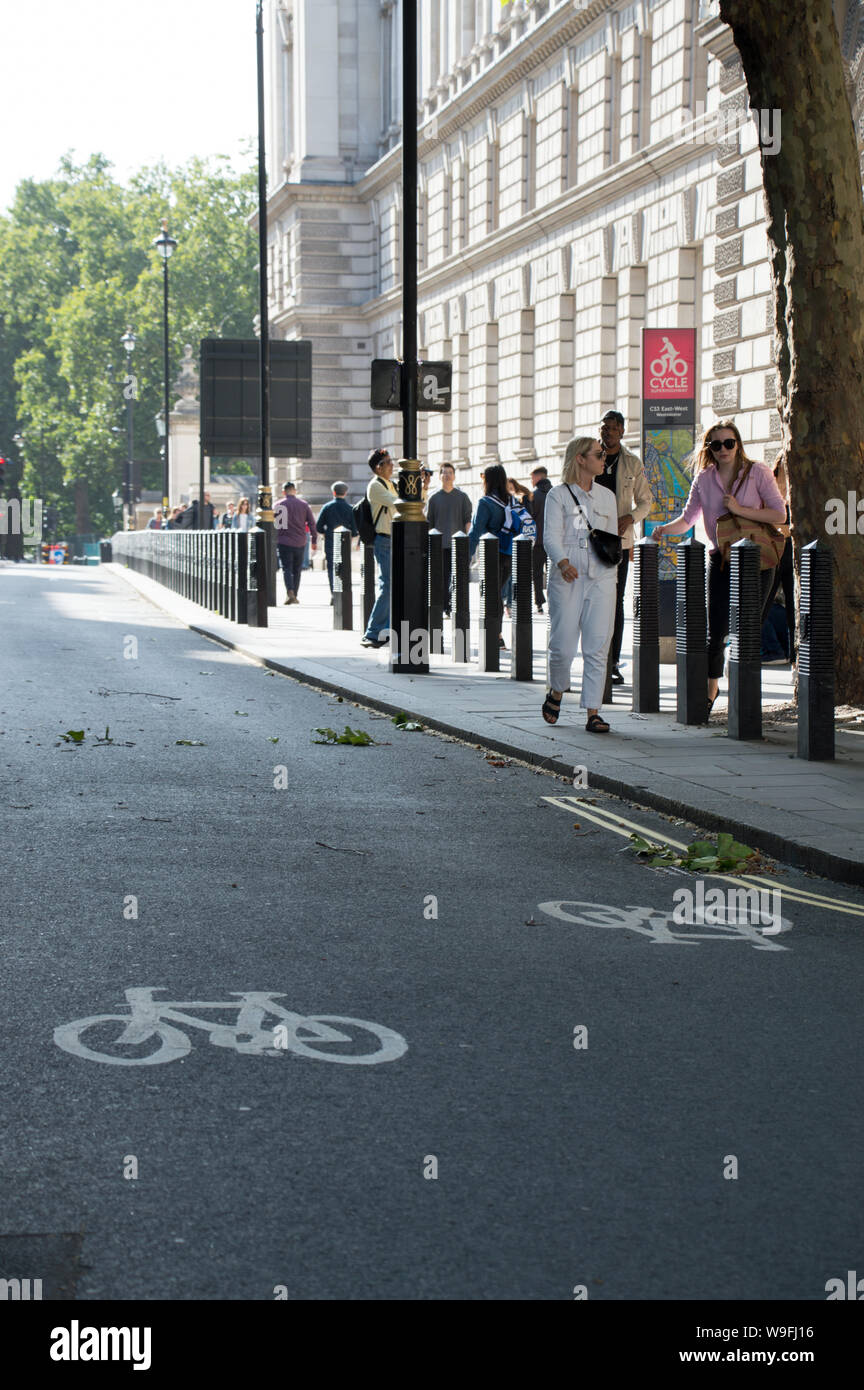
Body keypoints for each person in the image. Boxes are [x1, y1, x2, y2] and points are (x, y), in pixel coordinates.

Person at [652, 419, 787, 715]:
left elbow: (779, 514)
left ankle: (744, 695)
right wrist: (663, 529)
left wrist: (740, 510)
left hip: (757, 559)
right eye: (717, 444)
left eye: (729, 443)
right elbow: (688, 519)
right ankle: (711, 687)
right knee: (716, 629)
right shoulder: (704, 479)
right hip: (721, 559)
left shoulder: (758, 472)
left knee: (749, 628)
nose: (723, 449)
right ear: (709, 448)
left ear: (738, 444)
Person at [541, 436, 619, 733]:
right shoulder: (558, 495)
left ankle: (593, 712)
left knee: (597, 646)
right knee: (562, 646)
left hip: (601, 576)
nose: (603, 459)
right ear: (580, 459)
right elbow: (550, 536)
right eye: (598, 454)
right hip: (568, 575)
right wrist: (562, 562)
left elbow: (610, 539)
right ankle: (557, 690)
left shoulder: (607, 496)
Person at [598, 410, 654, 684]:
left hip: (618, 542)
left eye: (611, 428)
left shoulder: (632, 463)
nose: (606, 432)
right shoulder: (588, 458)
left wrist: (630, 517)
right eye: (603, 428)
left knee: (615, 602)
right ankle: (595, 658)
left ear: (621, 430)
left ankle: (613, 661)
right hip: (589, 540)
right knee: (592, 601)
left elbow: (646, 502)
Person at [468, 464, 520, 650]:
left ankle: (494, 636)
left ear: (487, 480)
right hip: (509, 554)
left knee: (489, 594)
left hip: (492, 556)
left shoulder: (486, 503)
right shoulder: (511, 501)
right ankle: (496, 635)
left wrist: (464, 557)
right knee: (496, 593)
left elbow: (475, 532)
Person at [361, 448, 399, 647]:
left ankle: (385, 630)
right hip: (384, 540)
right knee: (387, 586)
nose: (392, 465)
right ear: (379, 467)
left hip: (394, 540)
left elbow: (414, 503)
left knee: (393, 586)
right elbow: (400, 504)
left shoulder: (389, 484)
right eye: (388, 462)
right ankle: (373, 632)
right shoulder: (375, 486)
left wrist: (422, 486)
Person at [426, 463, 472, 616]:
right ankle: (445, 605)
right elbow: (429, 522)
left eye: (450, 472)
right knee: (442, 578)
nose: (447, 475)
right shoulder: (433, 498)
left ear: (454, 476)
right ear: (439, 476)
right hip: (439, 545)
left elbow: (467, 520)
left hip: (457, 545)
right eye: (444, 473)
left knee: (457, 577)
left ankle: (454, 604)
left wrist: (467, 541)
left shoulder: (462, 497)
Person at [274, 481, 317, 604]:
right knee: (297, 569)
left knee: (286, 568)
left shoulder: (278, 505)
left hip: (284, 541)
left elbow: (276, 524)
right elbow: (311, 523)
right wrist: (314, 540)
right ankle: (295, 594)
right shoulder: (303, 505)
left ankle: (290, 591)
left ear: (283, 491)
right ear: (295, 490)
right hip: (300, 541)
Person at [316, 482, 358, 600]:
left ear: (333, 492)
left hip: (330, 541)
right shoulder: (350, 508)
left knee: (331, 567)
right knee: (344, 567)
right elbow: (355, 530)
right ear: (345, 493)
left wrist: (326, 533)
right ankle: (343, 593)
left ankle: (334, 593)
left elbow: (319, 526)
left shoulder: (327, 507)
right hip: (344, 542)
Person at [530, 466, 553, 613]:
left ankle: (539, 603)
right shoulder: (556, 493)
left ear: (539, 477)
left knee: (537, 573)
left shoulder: (534, 496)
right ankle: (553, 600)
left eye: (532, 477)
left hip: (538, 542)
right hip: (553, 540)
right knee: (553, 573)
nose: (531, 481)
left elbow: (530, 518)